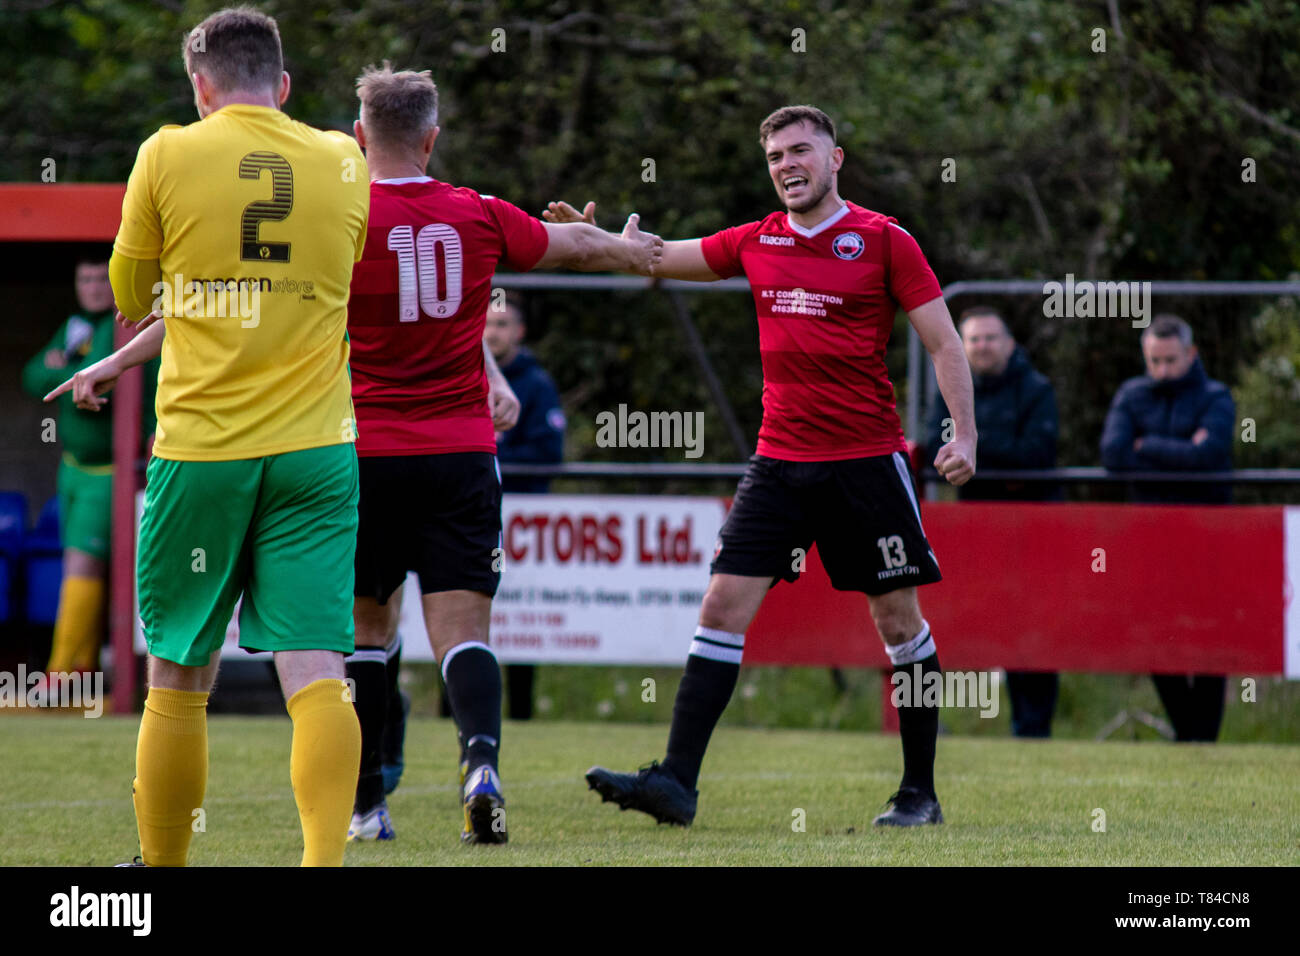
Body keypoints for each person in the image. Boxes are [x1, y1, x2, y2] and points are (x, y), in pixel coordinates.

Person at [553, 104, 977, 827]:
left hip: (866, 464)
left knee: (899, 620)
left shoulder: (883, 240)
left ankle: (918, 795)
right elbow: (656, 256)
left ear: (834, 158)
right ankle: (676, 785)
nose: (787, 164)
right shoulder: (755, 239)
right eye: (776, 155)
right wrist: (589, 240)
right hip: (778, 464)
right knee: (721, 607)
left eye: (800, 150)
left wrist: (963, 434)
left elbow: (943, 343)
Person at [49, 7, 369, 866]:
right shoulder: (344, 157)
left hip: (202, 450)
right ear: (285, 85)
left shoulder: (166, 151)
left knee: (180, 674)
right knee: (317, 667)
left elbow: (129, 287)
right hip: (316, 451)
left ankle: (159, 870)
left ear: (201, 87)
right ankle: (324, 864)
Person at [342, 64, 662, 844]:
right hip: (458, 452)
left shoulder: (336, 217)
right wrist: (625, 249)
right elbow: (574, 244)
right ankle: (480, 763)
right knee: (465, 632)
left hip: (364, 452)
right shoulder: (476, 213)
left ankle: (367, 809)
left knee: (365, 636)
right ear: (432, 137)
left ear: (359, 136)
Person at [22, 253, 158, 686]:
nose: (94, 287)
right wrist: (62, 375)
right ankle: (82, 669)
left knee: (86, 566)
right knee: (76, 566)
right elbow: (33, 376)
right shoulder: (76, 326)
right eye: (86, 279)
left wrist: (86, 378)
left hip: (111, 472)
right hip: (72, 467)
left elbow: (126, 391)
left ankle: (60, 674)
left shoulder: (131, 326)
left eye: (102, 278)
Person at [924, 307, 1060, 737]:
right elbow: (933, 443)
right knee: (952, 622)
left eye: (990, 338)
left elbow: (1037, 452)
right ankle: (935, 722)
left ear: (1010, 344)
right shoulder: (947, 389)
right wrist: (988, 448)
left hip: (1032, 532)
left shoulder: (1037, 389)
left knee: (1033, 630)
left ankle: (1032, 731)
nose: (982, 346)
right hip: (972, 530)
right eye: (974, 339)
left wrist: (971, 446)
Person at [1100, 313, 1234, 741]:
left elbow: (1210, 455)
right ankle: (1186, 730)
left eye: (1170, 360)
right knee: (1158, 631)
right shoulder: (1132, 394)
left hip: (1208, 538)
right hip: (1150, 537)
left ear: (1191, 354)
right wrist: (1181, 449)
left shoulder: (1216, 396)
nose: (1161, 370)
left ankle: (1204, 736)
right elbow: (1114, 454)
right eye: (1153, 361)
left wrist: (1149, 445)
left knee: (1210, 633)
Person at [484, 291, 565, 720]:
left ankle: (520, 713)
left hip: (522, 522)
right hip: (472, 513)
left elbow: (550, 452)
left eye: (502, 325)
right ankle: (453, 711)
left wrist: (491, 458)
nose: (493, 332)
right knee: (466, 615)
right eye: (488, 324)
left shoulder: (535, 384)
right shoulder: (461, 373)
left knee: (522, 617)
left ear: (519, 332)